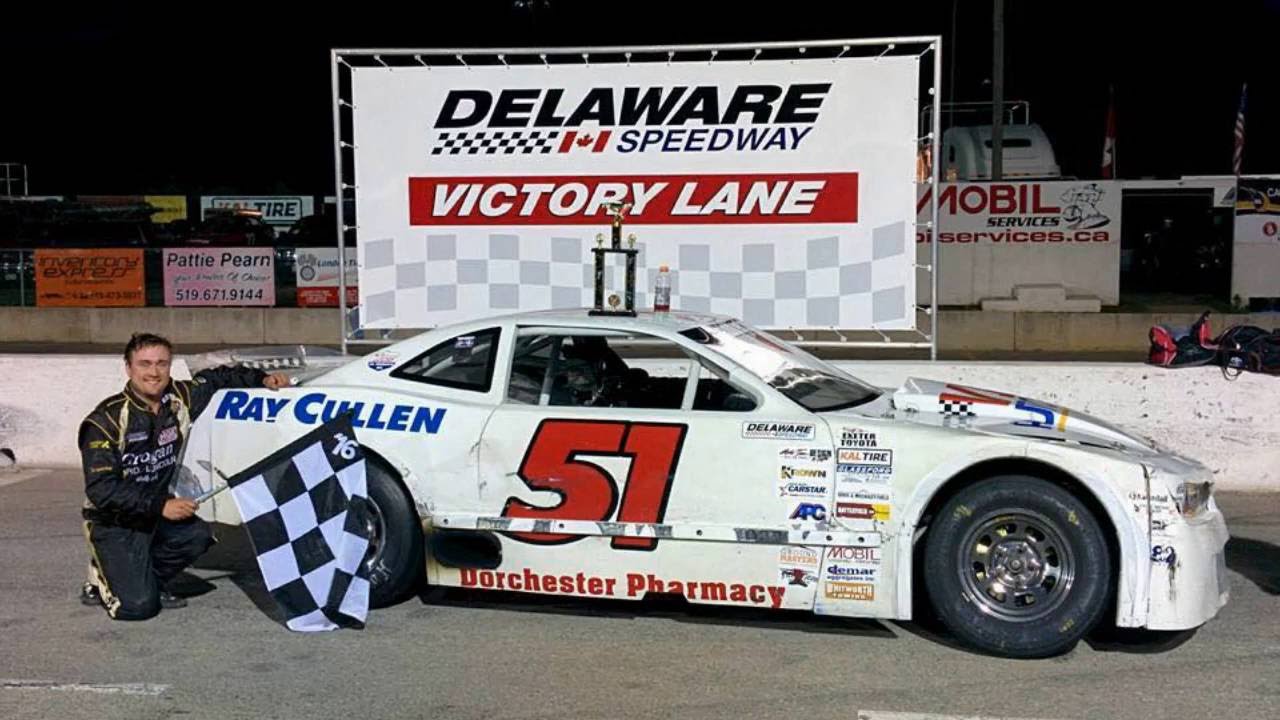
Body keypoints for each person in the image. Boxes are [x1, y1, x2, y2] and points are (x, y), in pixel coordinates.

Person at [78, 333, 291, 620]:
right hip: (114, 520)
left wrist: (263, 379)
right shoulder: (105, 420)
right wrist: (161, 506)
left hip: (153, 515)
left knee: (197, 535)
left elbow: (219, 378)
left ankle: (144, 578)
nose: (153, 372)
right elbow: (102, 490)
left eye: (161, 364)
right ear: (128, 369)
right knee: (138, 608)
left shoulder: (180, 397)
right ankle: (100, 578)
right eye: (144, 364)